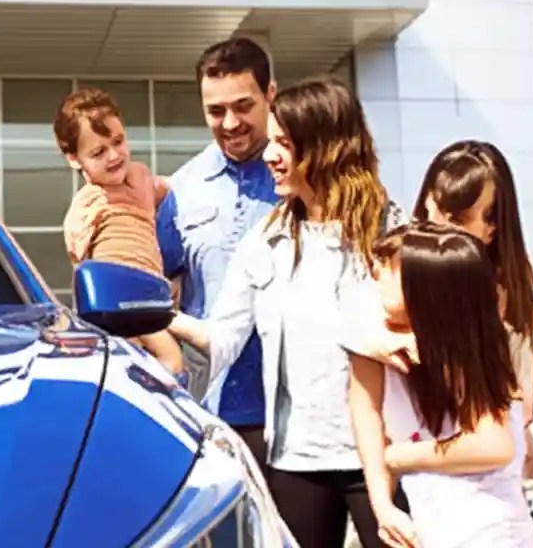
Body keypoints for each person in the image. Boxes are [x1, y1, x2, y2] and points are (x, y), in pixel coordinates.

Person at [167, 76, 406, 548]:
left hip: (386, 452)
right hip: (297, 457)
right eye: (272, 141)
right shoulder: (267, 241)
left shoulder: (390, 231)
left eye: (285, 144)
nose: (270, 155)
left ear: (325, 148)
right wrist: (154, 316)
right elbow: (223, 338)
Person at [361, 140, 533, 546]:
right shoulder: (400, 274)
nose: (444, 227)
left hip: (519, 462)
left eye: (461, 218)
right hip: (439, 475)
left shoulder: (522, 282)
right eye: (436, 210)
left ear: (492, 225)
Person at [347, 222, 533, 548]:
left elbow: (493, 445)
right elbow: (364, 411)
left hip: (489, 530)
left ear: (423, 288)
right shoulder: (372, 338)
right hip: (431, 526)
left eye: (387, 267)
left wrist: (398, 457)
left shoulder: (469, 349)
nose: (374, 274)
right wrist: (382, 506)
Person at [155, 37, 279, 470]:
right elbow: (162, 299)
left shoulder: (305, 178)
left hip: (299, 417)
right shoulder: (182, 188)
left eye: (243, 105)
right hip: (212, 415)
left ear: (271, 95)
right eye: (215, 111)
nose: (230, 123)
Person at [54, 87, 186, 382]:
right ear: (74, 159)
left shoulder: (140, 177)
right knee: (171, 361)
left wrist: (174, 275)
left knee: (160, 360)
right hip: (119, 306)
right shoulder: (88, 204)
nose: (114, 156)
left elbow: (173, 191)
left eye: (118, 141)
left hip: (153, 300)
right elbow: (82, 264)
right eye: (98, 152)